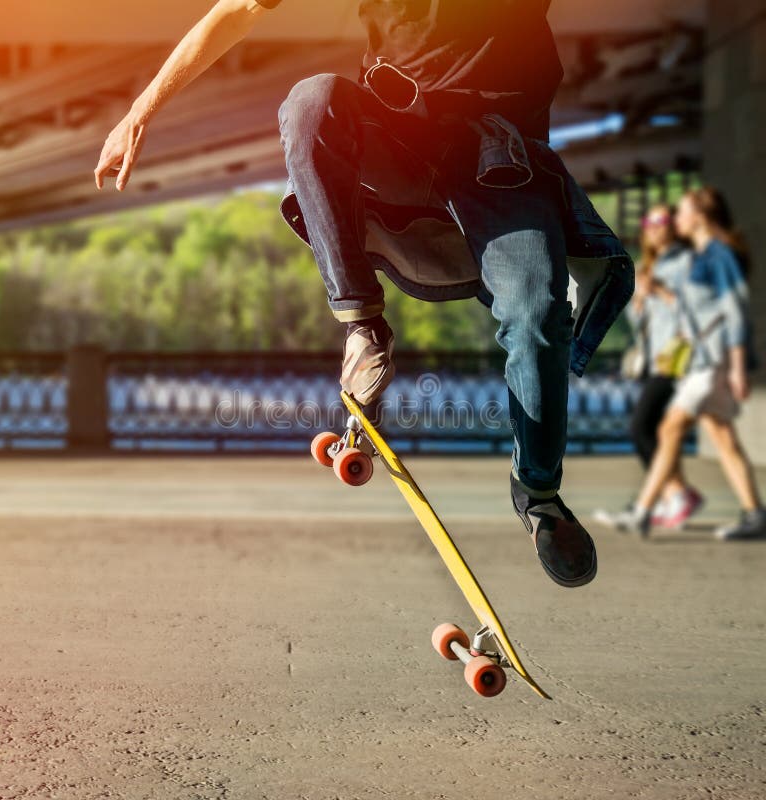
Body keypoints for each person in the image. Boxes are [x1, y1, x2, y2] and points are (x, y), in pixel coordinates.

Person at [93, 0, 635, 586]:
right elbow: (240, 8)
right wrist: (140, 111)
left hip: (499, 162)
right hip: (401, 139)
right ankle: (363, 328)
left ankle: (537, 491)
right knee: (311, 102)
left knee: (537, 314)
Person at [613, 187, 766, 540]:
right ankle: (755, 512)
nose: (676, 219)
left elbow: (735, 311)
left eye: (680, 212)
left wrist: (739, 367)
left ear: (700, 216)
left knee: (668, 428)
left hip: (715, 360)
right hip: (705, 358)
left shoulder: (719, 255)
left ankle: (644, 510)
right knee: (722, 438)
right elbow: (693, 312)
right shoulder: (704, 255)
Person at [594, 205, 702, 529]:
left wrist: (663, 293)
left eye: (661, 221)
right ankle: (675, 497)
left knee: (641, 428)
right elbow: (640, 321)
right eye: (648, 222)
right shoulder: (646, 266)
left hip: (679, 361)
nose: (654, 227)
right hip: (656, 361)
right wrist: (640, 301)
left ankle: (675, 495)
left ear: (674, 227)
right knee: (658, 432)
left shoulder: (688, 263)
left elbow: (699, 312)